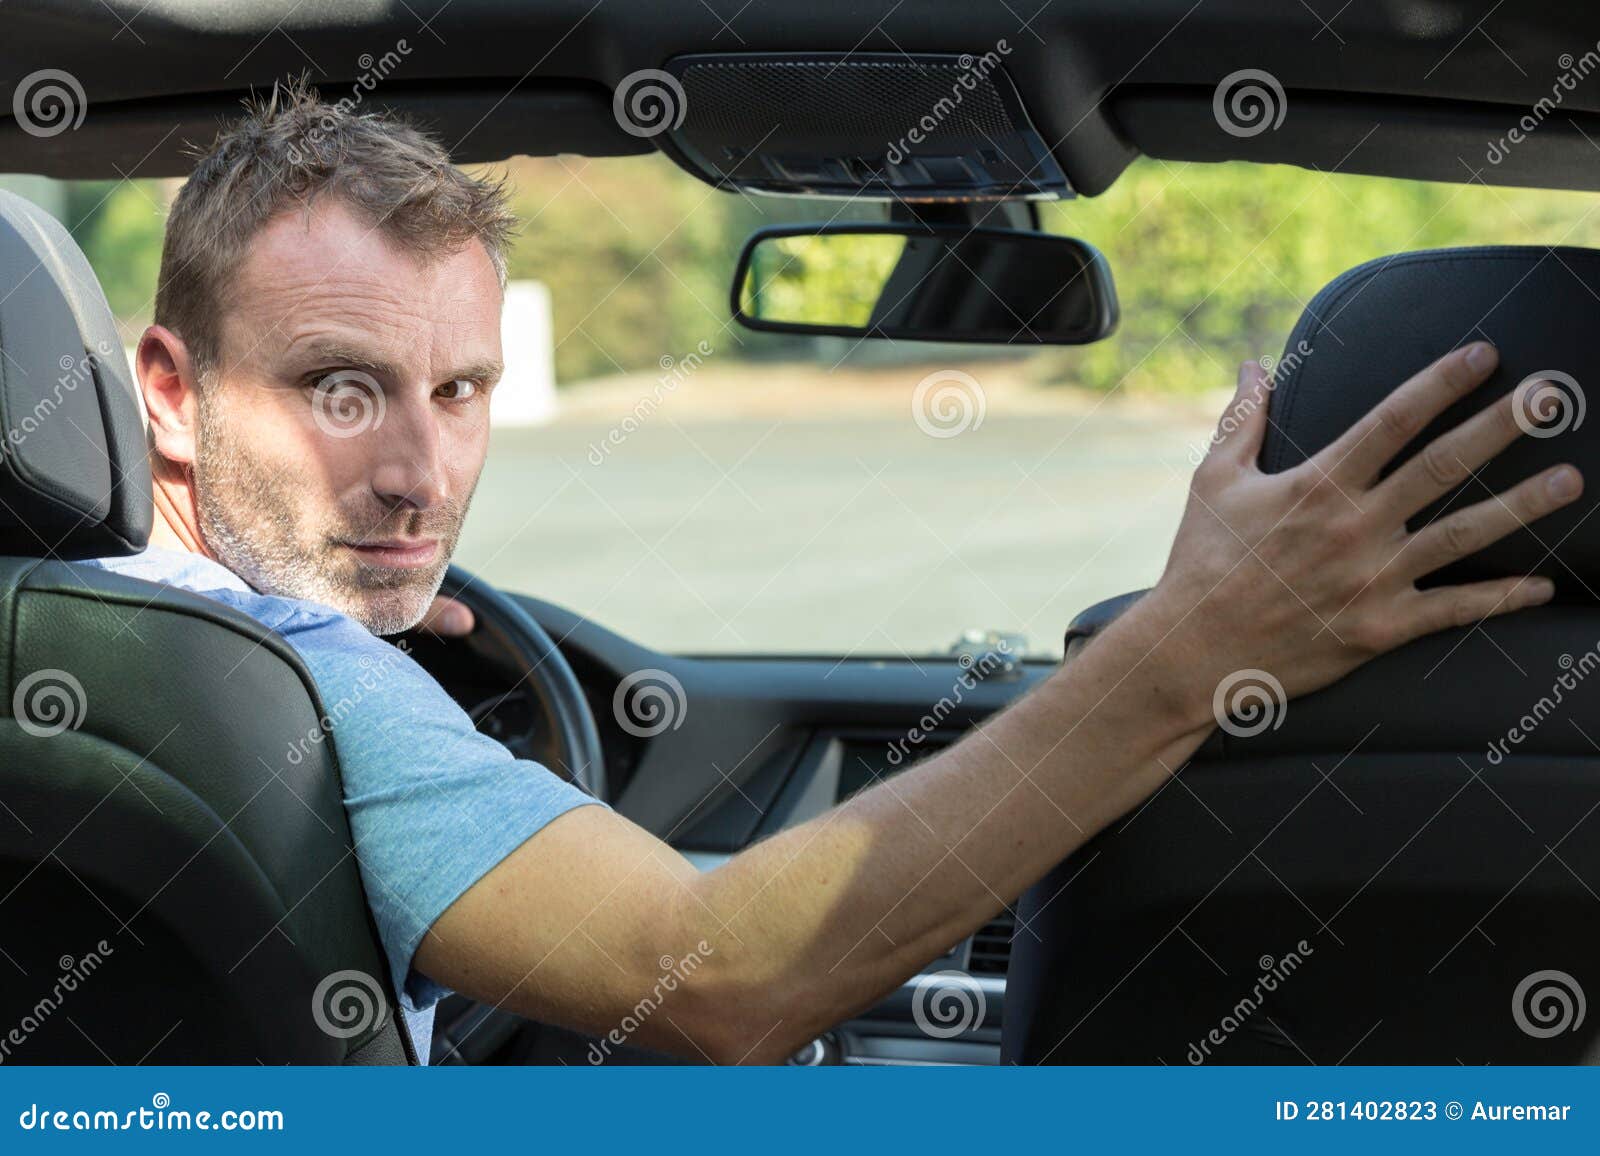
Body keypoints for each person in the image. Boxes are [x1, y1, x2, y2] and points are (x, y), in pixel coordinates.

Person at [88, 81, 1584, 1063]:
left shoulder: (95, 646)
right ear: (168, 386)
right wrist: (1199, 643)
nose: (419, 474)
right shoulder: (314, 694)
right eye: (342, 390)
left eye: (461, 392)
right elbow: (719, 974)